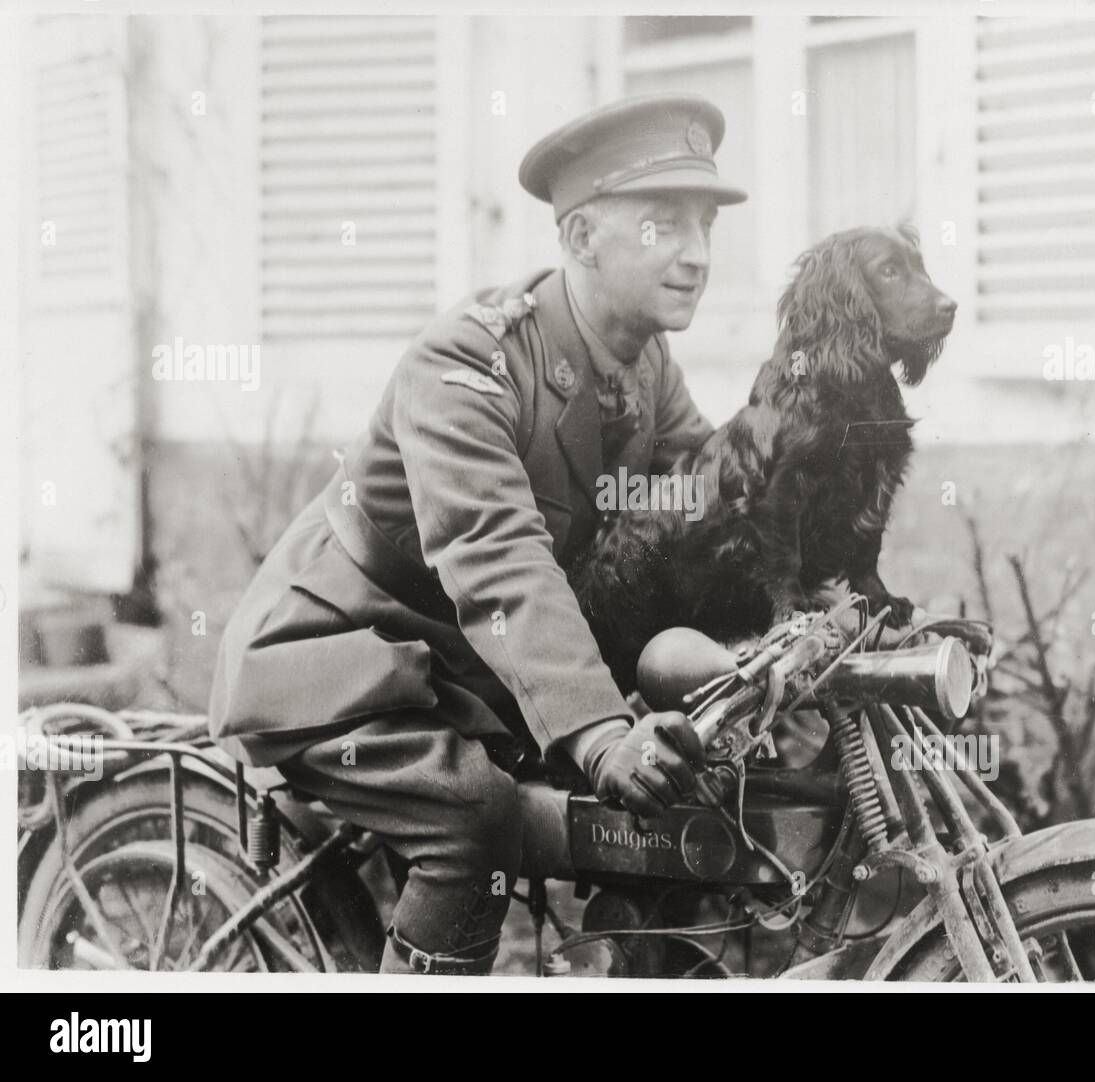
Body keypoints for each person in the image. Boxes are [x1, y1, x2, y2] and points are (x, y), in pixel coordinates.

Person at [207, 93, 748, 974]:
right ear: (580, 240)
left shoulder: (647, 365)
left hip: (463, 669)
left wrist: (823, 603)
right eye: (663, 226)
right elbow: (500, 560)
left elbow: (711, 513)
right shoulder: (466, 364)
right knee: (476, 820)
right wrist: (601, 733)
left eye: (705, 227)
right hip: (336, 664)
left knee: (679, 815)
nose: (695, 255)